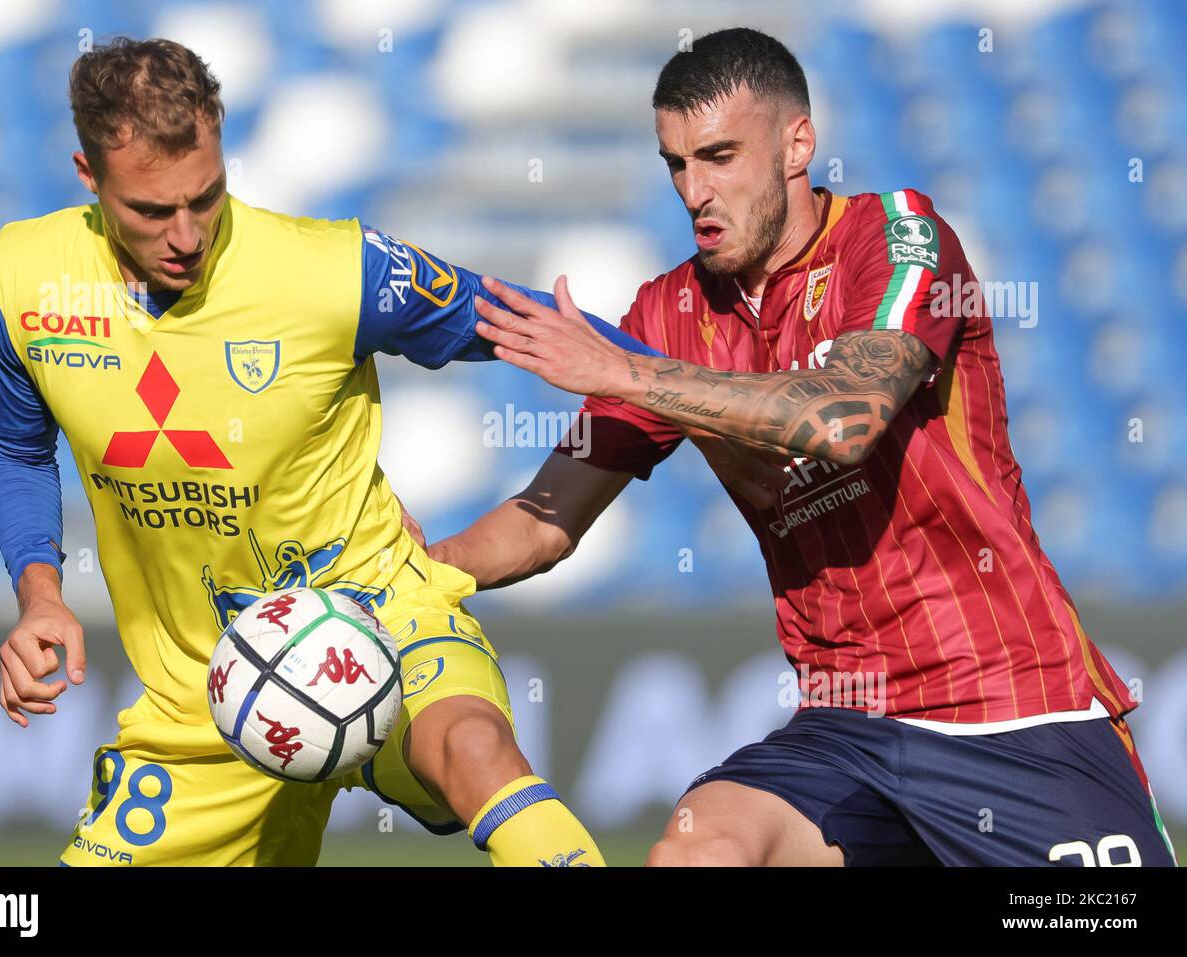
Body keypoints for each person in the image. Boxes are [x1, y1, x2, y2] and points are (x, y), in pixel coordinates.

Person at [428, 27, 1176, 866]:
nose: (694, 192)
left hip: (1014, 704)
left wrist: (629, 373)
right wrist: (418, 570)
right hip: (845, 723)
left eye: (718, 156)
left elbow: (844, 419)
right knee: (693, 851)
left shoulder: (895, 237)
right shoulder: (669, 313)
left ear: (798, 143)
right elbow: (547, 518)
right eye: (676, 163)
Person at [0, 36, 642, 867]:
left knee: (475, 748)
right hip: (208, 690)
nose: (186, 234)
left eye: (206, 197)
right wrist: (40, 594)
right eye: (152, 211)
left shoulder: (336, 271)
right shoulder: (21, 278)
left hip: (380, 615)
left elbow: (540, 328)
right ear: (88, 176)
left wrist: (678, 380)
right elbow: (14, 448)